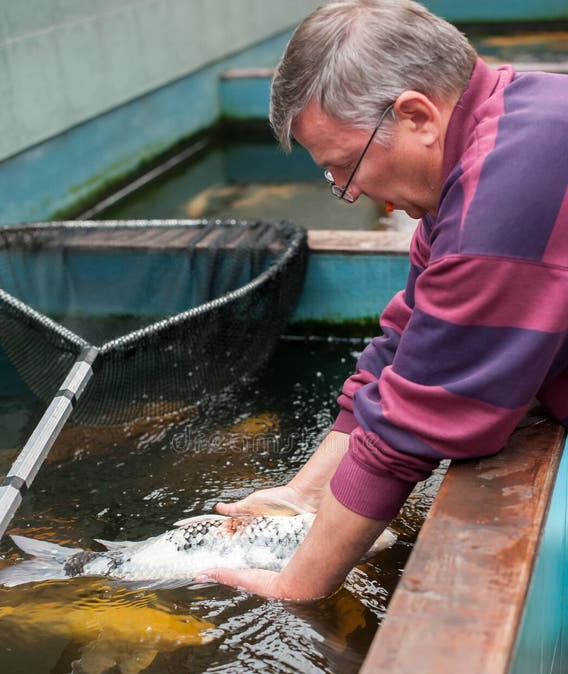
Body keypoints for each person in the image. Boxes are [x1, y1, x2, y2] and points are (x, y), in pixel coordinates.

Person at [198, 0, 568, 601]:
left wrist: (296, 586)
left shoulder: (497, 206)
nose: (350, 192)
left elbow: (416, 422)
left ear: (417, 115)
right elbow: (402, 347)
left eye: (344, 167)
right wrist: (303, 495)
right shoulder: (515, 117)